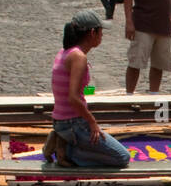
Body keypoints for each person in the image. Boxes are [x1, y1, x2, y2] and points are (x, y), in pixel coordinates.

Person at [41, 10, 130, 169]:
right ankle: (67, 150)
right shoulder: (78, 57)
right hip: (73, 124)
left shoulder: (65, 52)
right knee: (122, 157)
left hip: (62, 121)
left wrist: (90, 93)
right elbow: (73, 98)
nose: (102, 35)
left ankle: (64, 141)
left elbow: (72, 89)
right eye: (100, 31)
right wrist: (92, 122)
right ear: (92, 33)